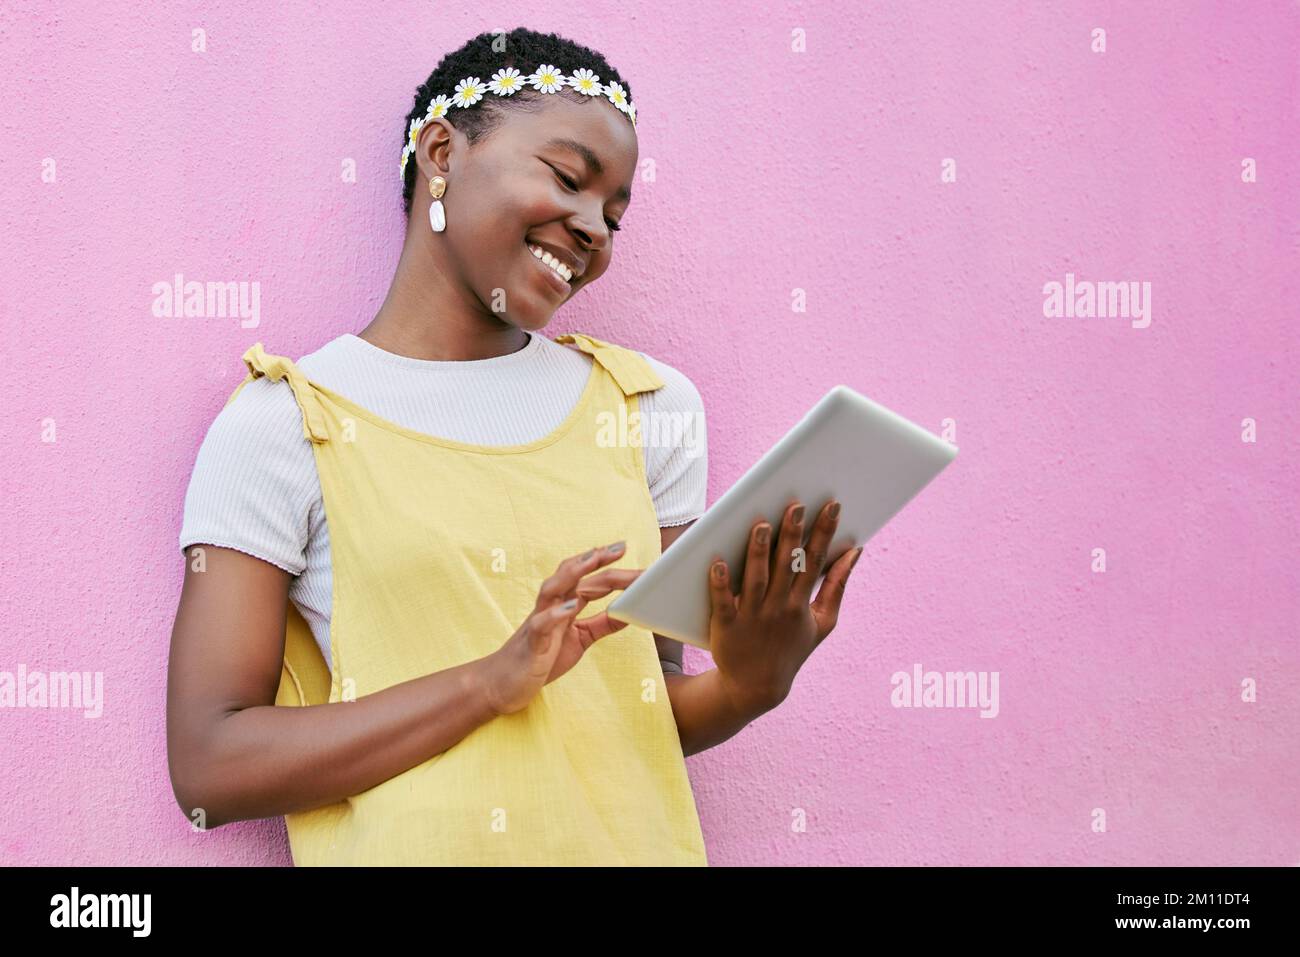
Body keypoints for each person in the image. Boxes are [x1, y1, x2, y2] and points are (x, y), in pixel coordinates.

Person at [166, 27, 864, 866]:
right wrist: (486, 683)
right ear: (440, 153)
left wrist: (752, 684)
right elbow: (210, 765)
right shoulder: (284, 423)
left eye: (613, 212)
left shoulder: (649, 408)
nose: (593, 230)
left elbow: (643, 709)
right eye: (568, 179)